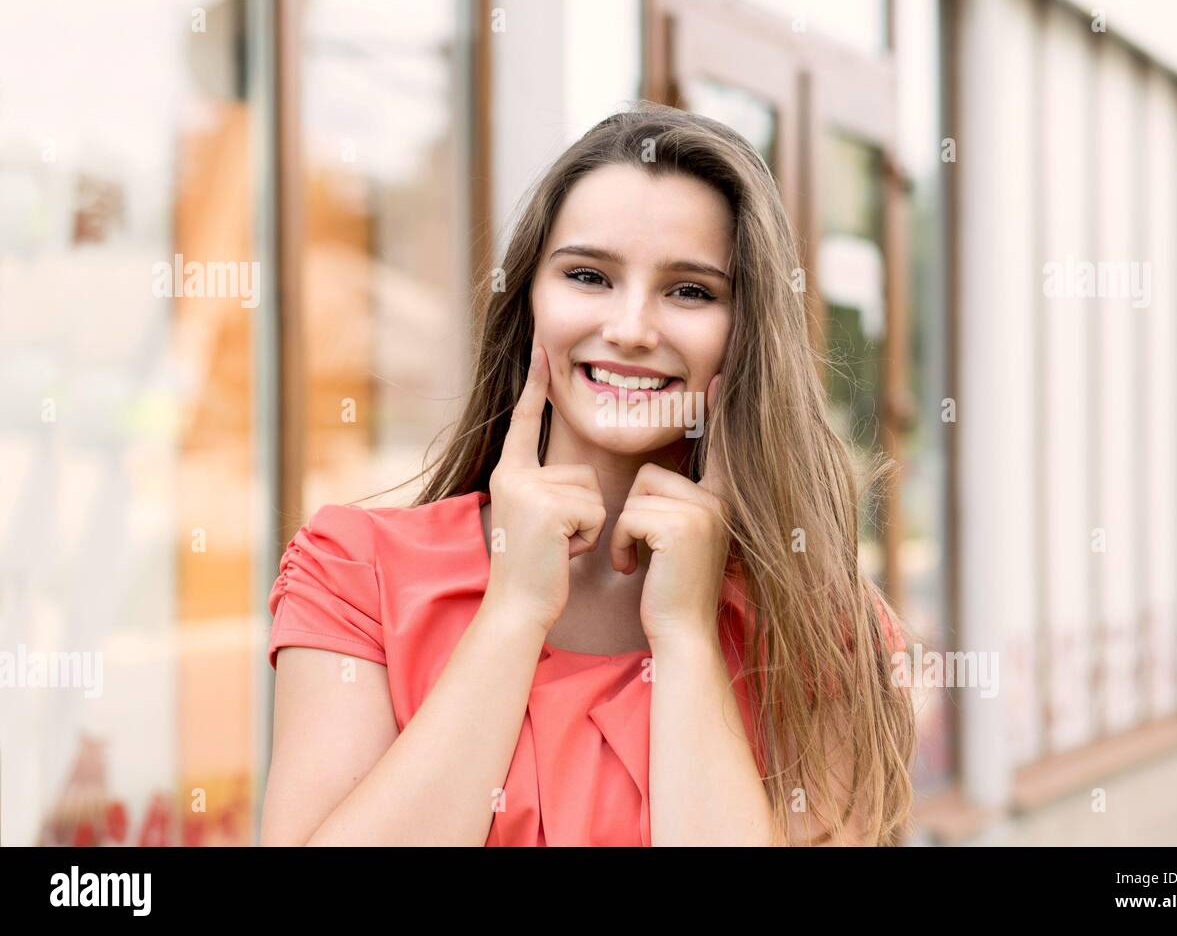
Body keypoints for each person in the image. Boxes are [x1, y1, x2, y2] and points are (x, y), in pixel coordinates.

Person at [260, 101, 915, 846]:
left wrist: (686, 636)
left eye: (690, 291)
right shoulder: (355, 574)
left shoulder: (824, 630)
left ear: (747, 334)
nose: (632, 328)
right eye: (589, 276)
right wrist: (512, 613)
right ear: (529, 303)